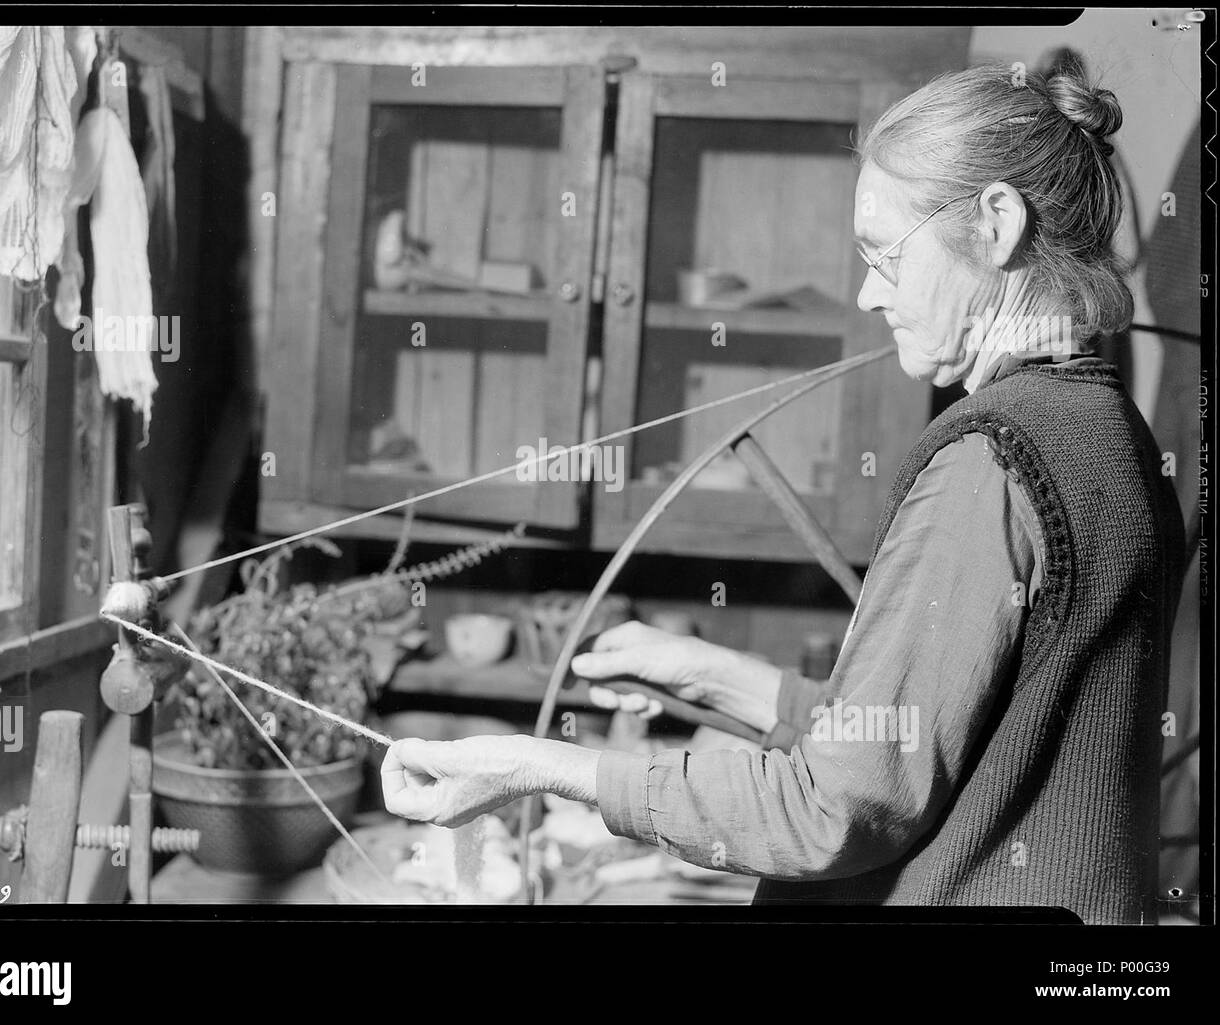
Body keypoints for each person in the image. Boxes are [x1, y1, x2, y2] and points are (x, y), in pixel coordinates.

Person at [380, 63, 1187, 924]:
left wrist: (539, 766)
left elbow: (836, 805)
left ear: (996, 223)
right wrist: (711, 675)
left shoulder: (991, 464)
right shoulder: (1111, 432)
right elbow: (920, 734)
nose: (871, 293)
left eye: (885, 256)